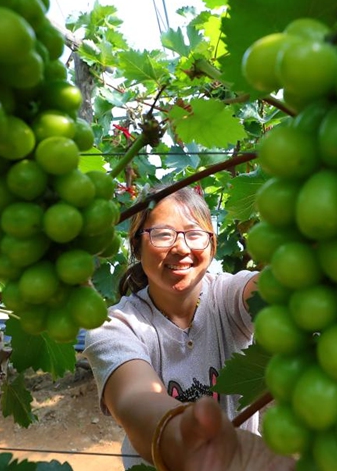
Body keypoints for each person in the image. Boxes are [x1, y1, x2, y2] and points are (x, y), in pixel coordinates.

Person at [83, 186, 295, 471]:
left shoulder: (227, 296)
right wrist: (180, 437)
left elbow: (282, 283)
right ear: (136, 246)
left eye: (194, 234)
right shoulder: (115, 327)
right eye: (162, 234)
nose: (181, 248)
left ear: (212, 245)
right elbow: (134, 399)